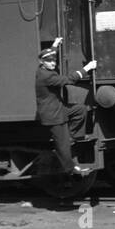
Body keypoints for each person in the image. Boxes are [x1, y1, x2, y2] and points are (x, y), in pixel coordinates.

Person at [36, 40, 97, 175]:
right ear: (42, 62)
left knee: (80, 109)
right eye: (49, 61)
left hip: (58, 108)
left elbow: (50, 54)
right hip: (53, 115)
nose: (53, 63)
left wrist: (55, 44)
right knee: (62, 145)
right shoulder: (46, 76)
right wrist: (87, 68)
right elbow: (69, 80)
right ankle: (71, 169)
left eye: (54, 60)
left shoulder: (44, 69)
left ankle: (72, 137)